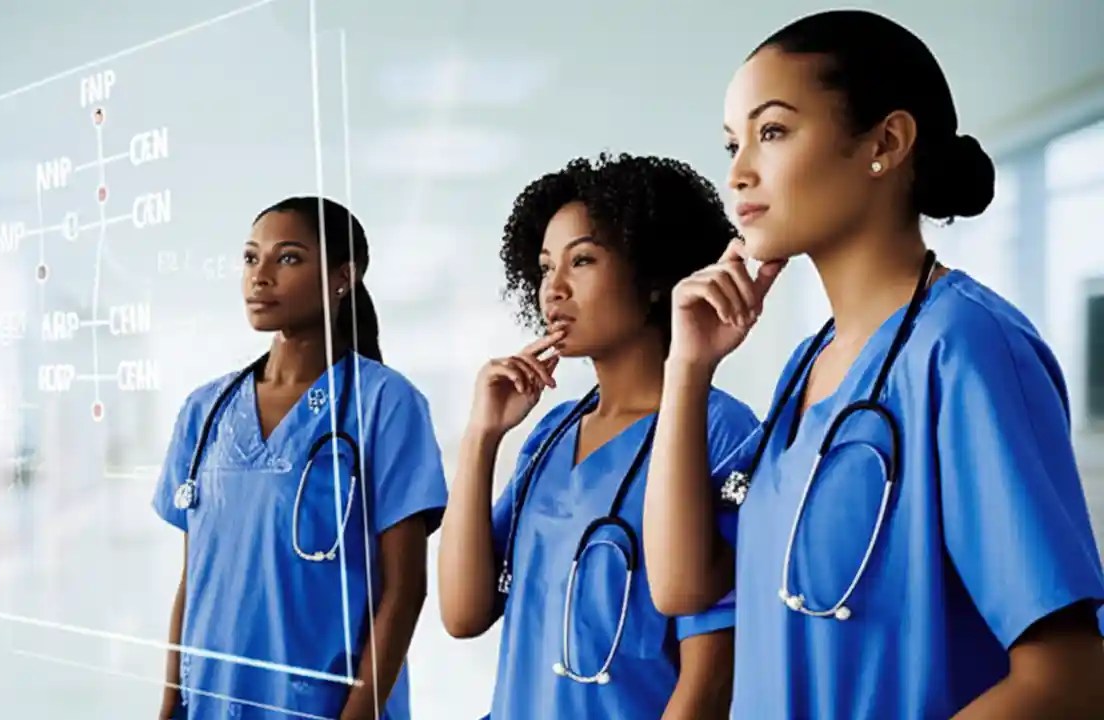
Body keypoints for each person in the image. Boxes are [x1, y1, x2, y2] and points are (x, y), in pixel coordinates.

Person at [643, 9, 1104, 719]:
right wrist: (687, 368)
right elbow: (681, 587)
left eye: (772, 132)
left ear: (884, 142)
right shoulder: (808, 366)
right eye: (733, 143)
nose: (737, 173)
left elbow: (1068, 679)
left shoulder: (967, 348)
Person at [437, 153, 759, 719]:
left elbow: (709, 682)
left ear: (656, 275)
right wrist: (481, 437)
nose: (553, 289)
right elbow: (464, 615)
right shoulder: (551, 435)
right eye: (543, 267)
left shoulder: (719, 433)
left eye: (581, 260)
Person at [152, 196, 448, 719]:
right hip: (212, 703)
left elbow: (404, 592)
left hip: (326, 707)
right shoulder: (205, 411)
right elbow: (192, 580)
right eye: (250, 258)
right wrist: (171, 703)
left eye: (287, 258)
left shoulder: (384, 403)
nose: (259, 276)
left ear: (343, 276)